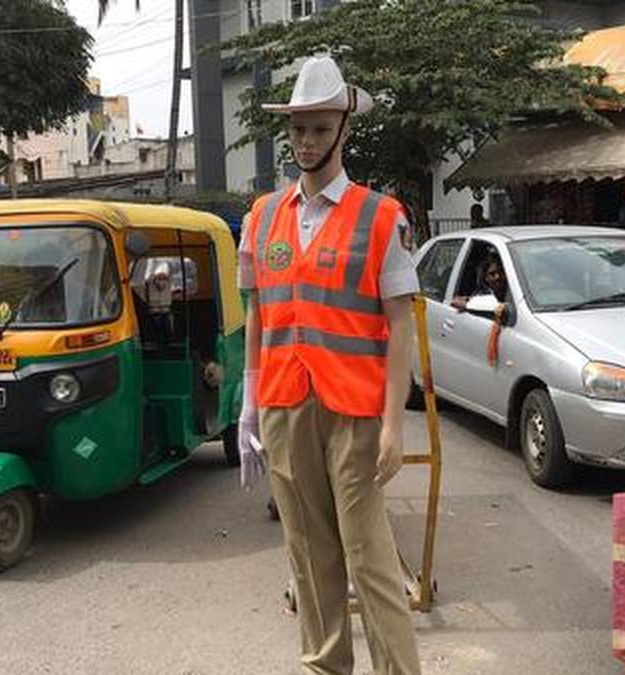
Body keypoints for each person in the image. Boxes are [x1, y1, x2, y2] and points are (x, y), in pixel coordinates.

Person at [237, 55, 423, 674]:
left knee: (368, 558)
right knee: (308, 557)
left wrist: (396, 424)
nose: (308, 142)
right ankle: (325, 666)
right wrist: (248, 404)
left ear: (345, 129)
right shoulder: (262, 217)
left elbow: (400, 324)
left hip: (355, 412)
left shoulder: (381, 216)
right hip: (286, 407)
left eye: (320, 128)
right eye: (298, 130)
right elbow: (258, 316)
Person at [145, 261, 174, 344]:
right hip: (164, 309)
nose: (161, 281)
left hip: (155, 309)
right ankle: (168, 341)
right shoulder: (168, 282)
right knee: (167, 326)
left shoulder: (149, 282)